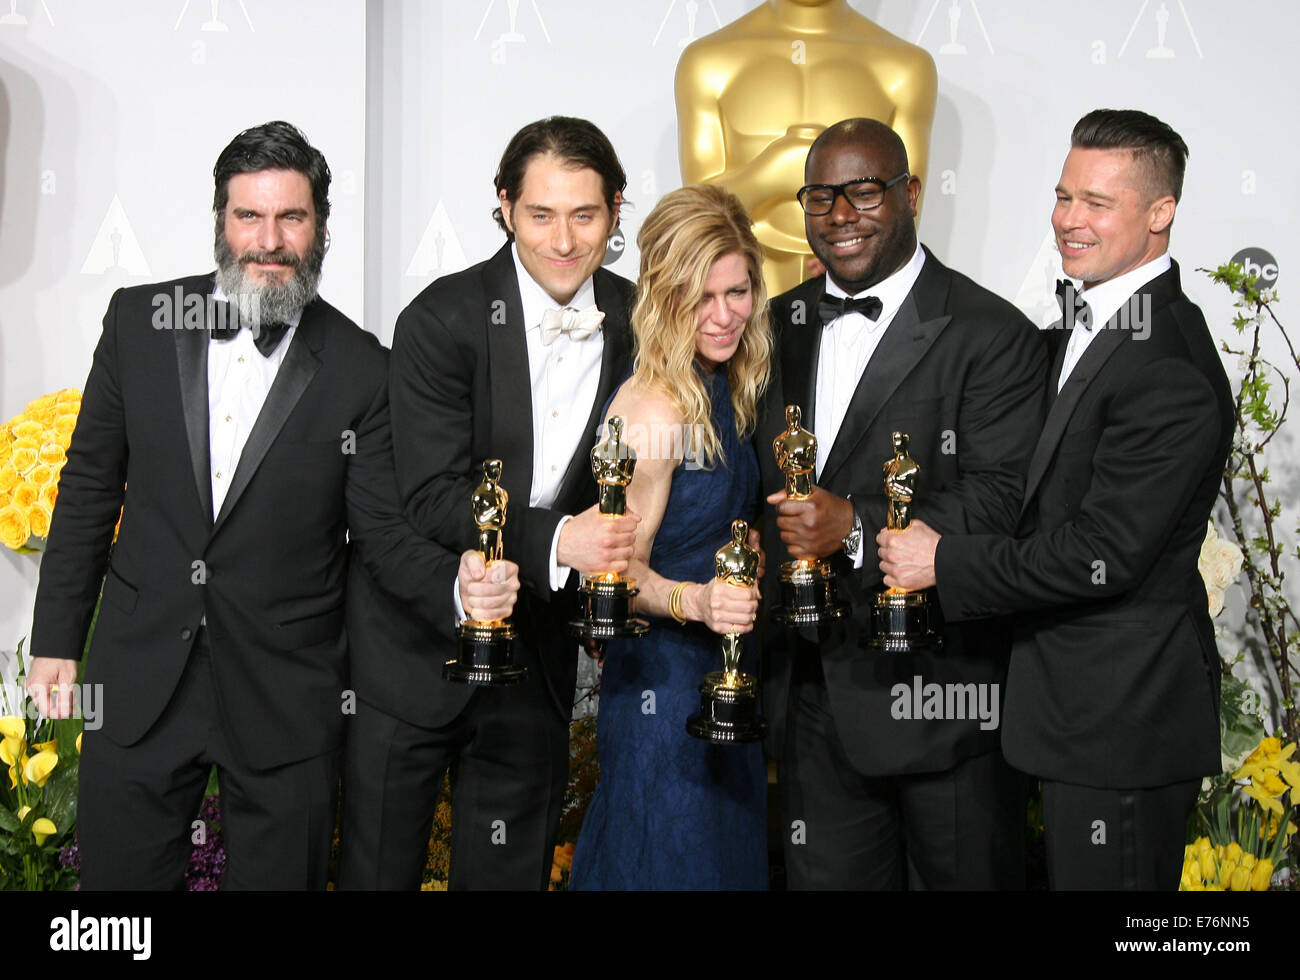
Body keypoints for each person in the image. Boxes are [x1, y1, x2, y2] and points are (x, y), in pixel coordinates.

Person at [25, 120, 503, 889]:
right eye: (250, 215)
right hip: (141, 674)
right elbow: (87, 486)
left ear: (320, 228)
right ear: (221, 219)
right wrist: (56, 640)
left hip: (288, 692)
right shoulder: (137, 322)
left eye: (292, 217)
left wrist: (458, 587)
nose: (269, 241)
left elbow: (379, 530)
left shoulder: (361, 366)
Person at [878, 109, 1233, 890]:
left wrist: (947, 560)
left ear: (1160, 213)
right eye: (1064, 195)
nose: (1068, 220)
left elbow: (1101, 555)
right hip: (1063, 714)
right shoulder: (1084, 324)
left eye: (1096, 204)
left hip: (1123, 722)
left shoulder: (1167, 363)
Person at [758, 117, 1047, 889]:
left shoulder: (993, 333)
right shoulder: (776, 324)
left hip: (945, 702)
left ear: (910, 192)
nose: (841, 215)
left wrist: (852, 527)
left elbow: (1000, 501)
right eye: (822, 197)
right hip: (816, 702)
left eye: (863, 191)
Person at [360, 116, 639, 890]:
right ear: (506, 208)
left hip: (534, 662)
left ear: (616, 211)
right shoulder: (441, 318)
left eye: (584, 215)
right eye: (541, 214)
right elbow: (430, 495)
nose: (562, 239)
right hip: (414, 653)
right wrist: (560, 541)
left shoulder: (643, 321)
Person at [570, 183, 772, 890]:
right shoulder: (649, 408)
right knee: (671, 862)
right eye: (701, 299)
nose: (724, 317)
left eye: (738, 292)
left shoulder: (729, 383)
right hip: (661, 691)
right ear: (664, 297)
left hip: (727, 677)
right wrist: (697, 602)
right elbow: (615, 577)